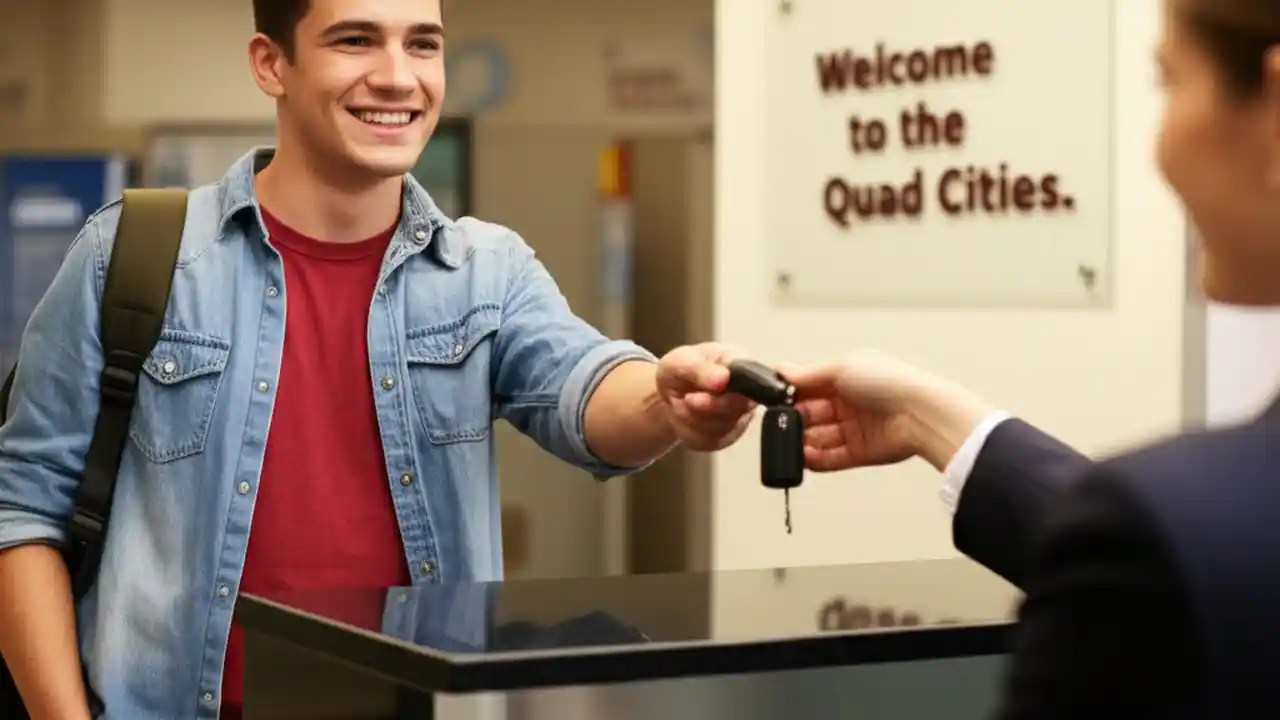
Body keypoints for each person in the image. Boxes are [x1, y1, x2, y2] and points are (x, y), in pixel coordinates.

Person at [0, 0, 757, 717]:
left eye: (422, 43)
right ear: (271, 63)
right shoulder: (132, 258)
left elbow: (586, 390)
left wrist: (669, 397)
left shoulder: (485, 273)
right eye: (355, 39)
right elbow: (22, 512)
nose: (399, 76)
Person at [783, 1, 1280, 717]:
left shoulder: (1157, 542)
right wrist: (933, 422)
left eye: (1168, 81)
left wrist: (1124, 535)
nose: (1159, 145)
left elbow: (1183, 564)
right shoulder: (1175, 536)